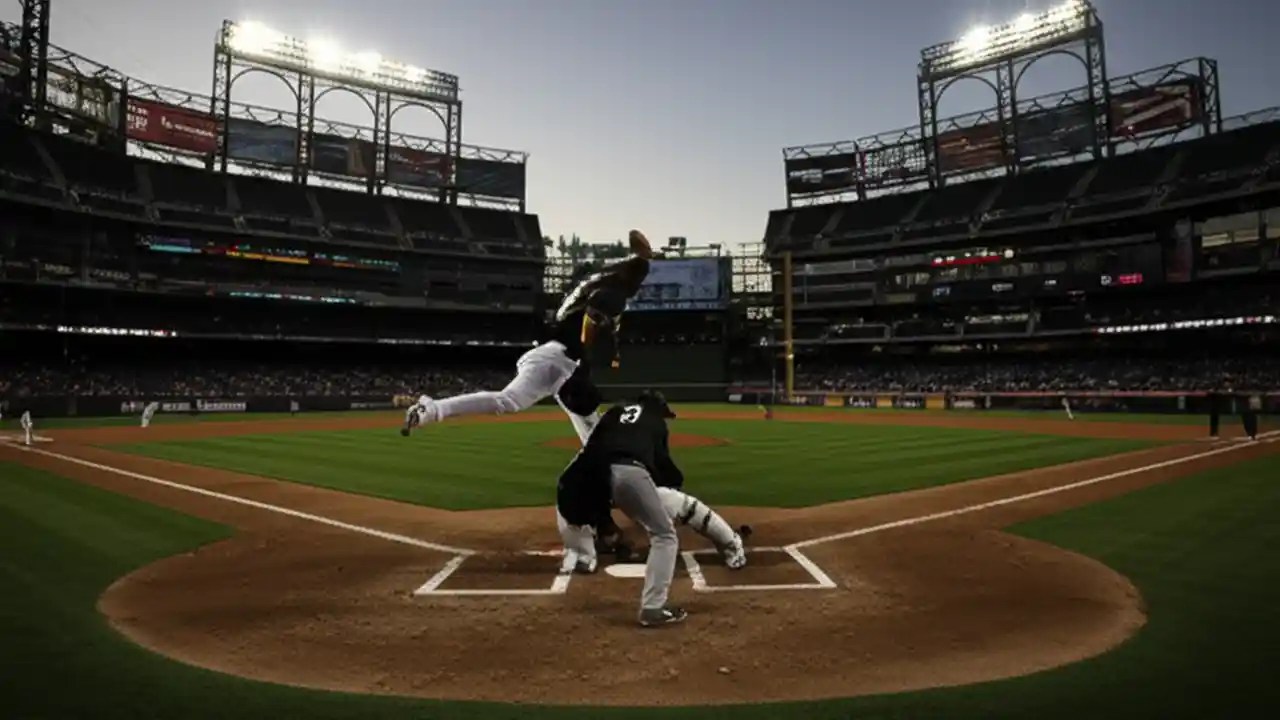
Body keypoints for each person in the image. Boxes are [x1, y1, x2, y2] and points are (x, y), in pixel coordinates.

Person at [401, 229, 655, 440]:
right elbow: (591, 321)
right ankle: (432, 409)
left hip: (561, 363)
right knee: (508, 401)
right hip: (555, 358)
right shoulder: (613, 293)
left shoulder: (599, 280)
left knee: (594, 432)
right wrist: (590, 359)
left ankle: (603, 483)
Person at [556, 391, 689, 627]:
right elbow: (663, 466)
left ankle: (600, 533)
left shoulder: (613, 412)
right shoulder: (656, 422)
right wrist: (675, 483)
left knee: (606, 506)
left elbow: (592, 448)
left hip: (595, 473)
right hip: (631, 473)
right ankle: (653, 608)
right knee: (665, 535)